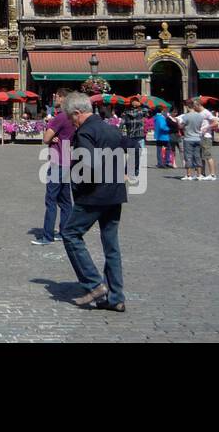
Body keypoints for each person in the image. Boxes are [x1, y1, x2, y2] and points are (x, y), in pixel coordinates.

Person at [59, 92, 127, 312]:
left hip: (93, 196)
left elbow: (89, 164)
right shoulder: (112, 128)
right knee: (111, 246)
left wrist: (80, 187)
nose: (71, 122)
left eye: (71, 118)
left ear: (78, 113)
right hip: (115, 194)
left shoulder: (85, 132)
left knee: (70, 233)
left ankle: (93, 284)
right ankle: (116, 297)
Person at [33, 90, 74, 246]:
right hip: (67, 160)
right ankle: (65, 232)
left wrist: (51, 136)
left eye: (56, 96)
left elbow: (45, 138)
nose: (54, 98)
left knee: (51, 200)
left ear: (63, 98)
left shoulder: (60, 117)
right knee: (65, 202)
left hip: (57, 161)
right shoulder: (72, 117)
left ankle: (47, 236)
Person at [176, 99, 206, 181]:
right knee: (198, 156)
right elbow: (200, 126)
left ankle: (188, 175)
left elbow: (181, 127)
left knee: (188, 157)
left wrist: (178, 122)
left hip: (188, 138)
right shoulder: (200, 116)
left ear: (187, 106)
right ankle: (199, 174)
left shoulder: (186, 116)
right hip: (197, 138)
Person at [119, 97, 147, 178]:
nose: (135, 103)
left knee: (137, 154)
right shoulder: (127, 112)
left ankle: (134, 169)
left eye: (136, 102)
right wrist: (120, 133)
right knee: (133, 154)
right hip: (132, 136)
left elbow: (149, 109)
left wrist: (141, 104)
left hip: (139, 136)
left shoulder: (141, 111)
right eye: (134, 102)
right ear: (131, 103)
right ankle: (130, 171)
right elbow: (122, 124)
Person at [199, 108, 219, 181]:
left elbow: (216, 123)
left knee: (208, 156)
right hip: (200, 136)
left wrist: (207, 127)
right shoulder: (199, 112)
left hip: (206, 136)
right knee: (201, 156)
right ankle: (202, 173)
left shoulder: (206, 112)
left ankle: (212, 174)